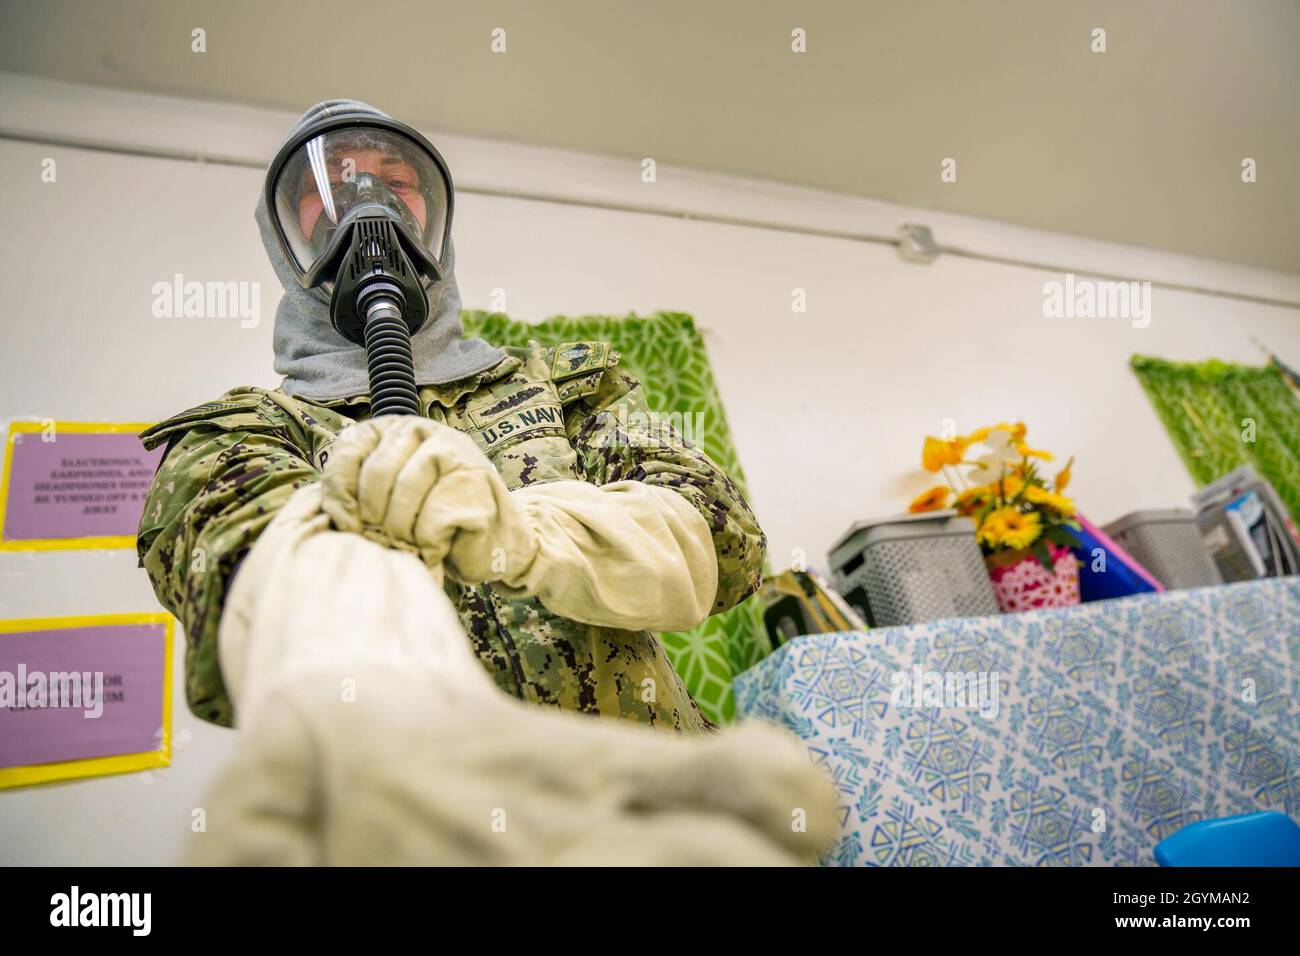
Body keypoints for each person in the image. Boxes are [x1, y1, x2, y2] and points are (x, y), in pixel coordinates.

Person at [136, 100, 768, 737]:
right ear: (284, 239)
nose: (365, 194)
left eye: (396, 179)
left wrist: (520, 534)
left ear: (434, 217)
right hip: (428, 825)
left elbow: (724, 538)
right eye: (331, 178)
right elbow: (244, 599)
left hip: (644, 800)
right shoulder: (240, 433)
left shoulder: (563, 385)